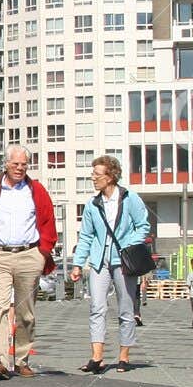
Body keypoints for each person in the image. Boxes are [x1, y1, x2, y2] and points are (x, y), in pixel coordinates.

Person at [0, 147, 57, 381]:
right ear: (6, 164)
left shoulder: (36, 190)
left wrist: (43, 251)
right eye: (16, 164)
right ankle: (0, 361)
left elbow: (48, 221)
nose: (20, 168)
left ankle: (21, 360)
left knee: (25, 313)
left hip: (29, 254)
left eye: (24, 164)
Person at [68, 155, 150, 374]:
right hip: (99, 261)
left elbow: (143, 226)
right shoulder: (92, 205)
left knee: (125, 308)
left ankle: (124, 356)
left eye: (97, 174)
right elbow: (86, 236)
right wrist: (77, 264)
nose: (93, 178)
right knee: (97, 307)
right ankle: (97, 357)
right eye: (93, 174)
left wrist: (128, 245)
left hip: (123, 261)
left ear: (111, 176)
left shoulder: (130, 198)